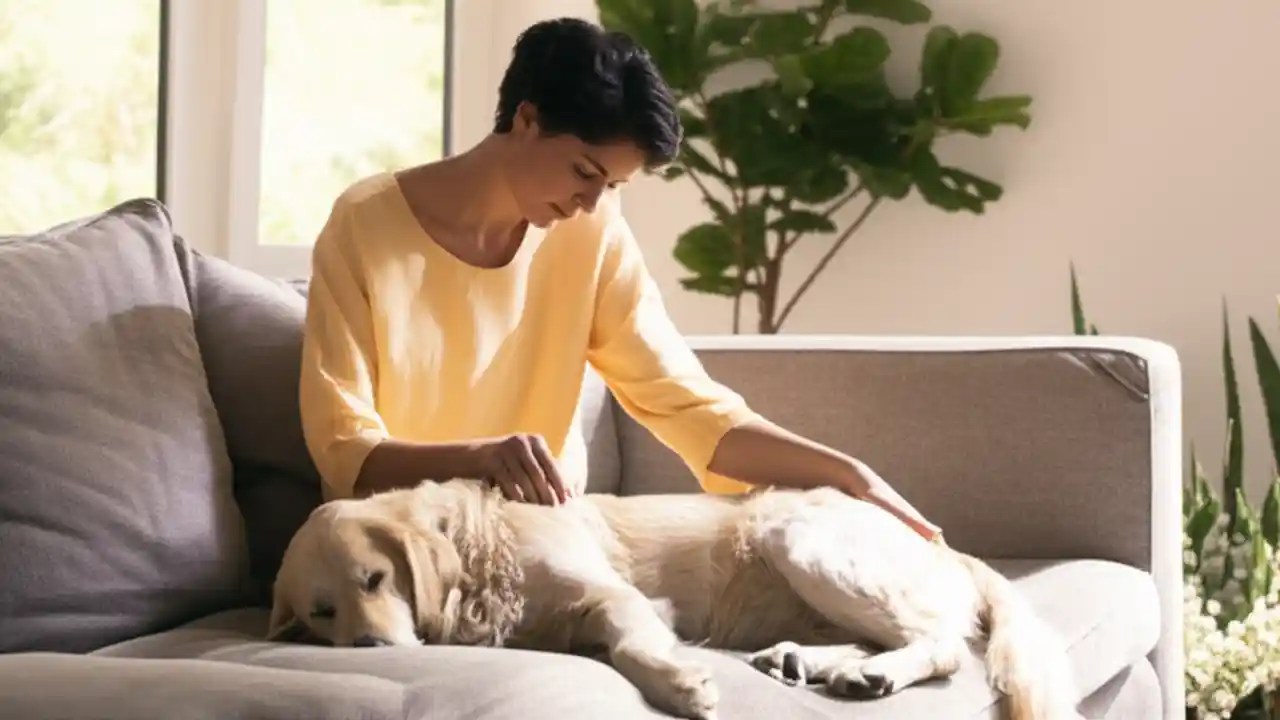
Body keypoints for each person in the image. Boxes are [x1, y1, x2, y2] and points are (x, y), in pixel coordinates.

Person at [297, 17, 943, 543]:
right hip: (392, 543)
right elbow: (344, 450)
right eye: (583, 172)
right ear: (526, 121)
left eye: (611, 186)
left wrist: (849, 476)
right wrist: (479, 459)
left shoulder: (592, 233)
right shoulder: (366, 225)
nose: (590, 202)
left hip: (535, 542)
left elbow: (689, 409)